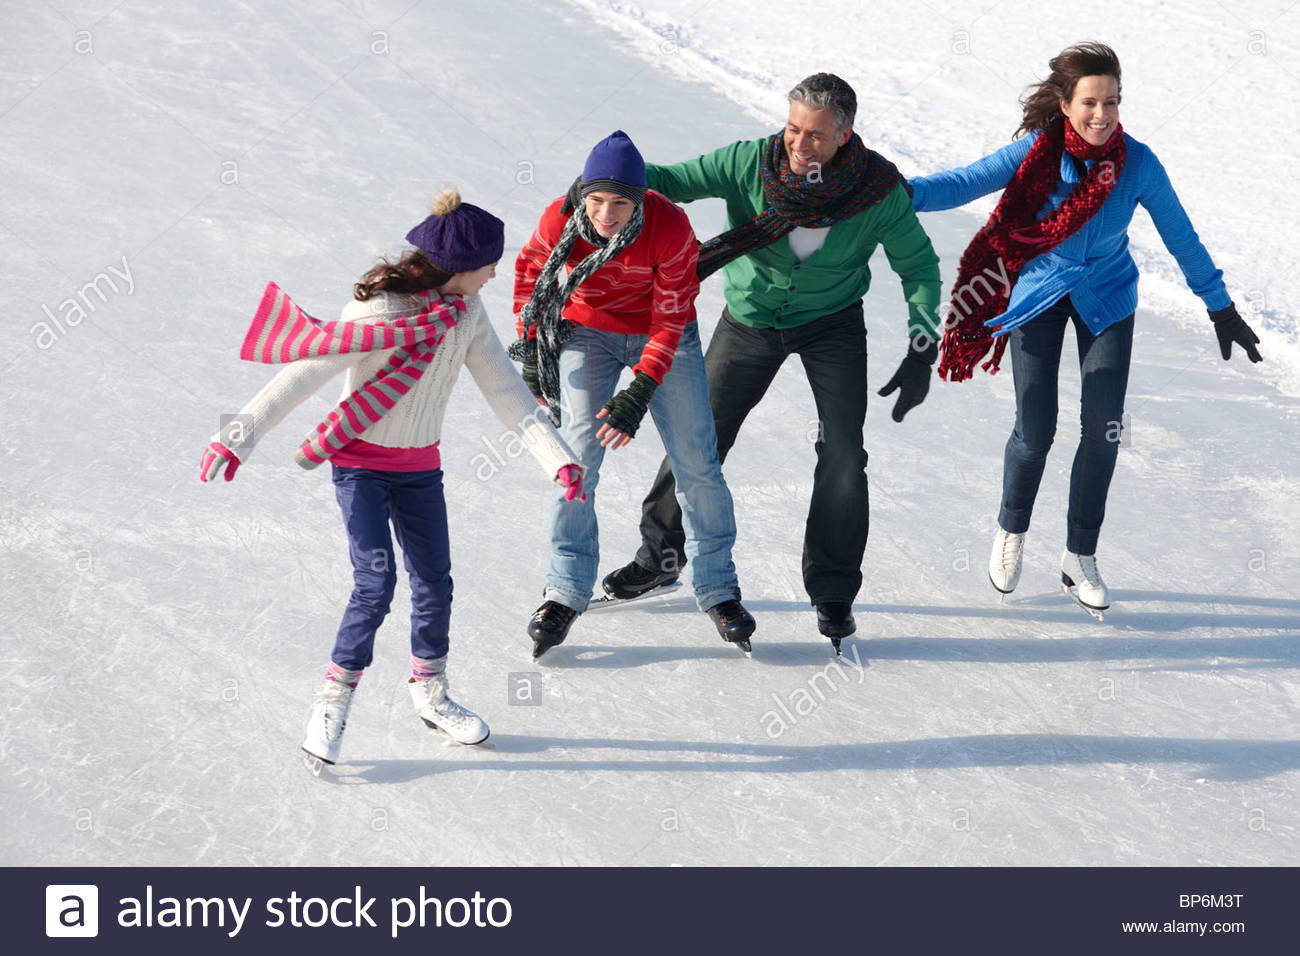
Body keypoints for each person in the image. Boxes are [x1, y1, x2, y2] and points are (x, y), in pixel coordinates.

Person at [198, 187, 584, 764]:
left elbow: (505, 390)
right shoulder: (378, 313)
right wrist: (239, 435)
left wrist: (558, 457)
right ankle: (332, 702)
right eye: (488, 268)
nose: (493, 278)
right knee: (374, 586)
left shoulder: (467, 316)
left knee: (435, 582)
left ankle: (429, 691)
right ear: (459, 267)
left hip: (420, 471)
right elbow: (305, 373)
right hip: (361, 471)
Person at [908, 42, 1263, 617]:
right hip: (1038, 295)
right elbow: (960, 183)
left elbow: (1181, 235)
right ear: (1065, 104)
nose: (1103, 116)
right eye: (1091, 103)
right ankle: (1012, 528)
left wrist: (1218, 305)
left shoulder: (1138, 163)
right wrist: (894, 190)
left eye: (1113, 103)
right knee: (1035, 429)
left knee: (1103, 430)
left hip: (1108, 298)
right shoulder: (1034, 153)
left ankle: (1081, 555)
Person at [598, 74, 942, 650]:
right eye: (792, 129)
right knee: (697, 438)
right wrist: (608, 181)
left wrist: (921, 344)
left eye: (815, 135)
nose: (799, 145)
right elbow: (671, 182)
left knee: (843, 452)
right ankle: (659, 557)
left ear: (845, 135)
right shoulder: (749, 163)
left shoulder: (878, 191)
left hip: (833, 323)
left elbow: (920, 268)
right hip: (750, 320)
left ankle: (833, 588)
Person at [512, 130, 755, 658]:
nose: (605, 214)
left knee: (697, 460)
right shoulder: (561, 218)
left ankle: (718, 587)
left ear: (640, 199)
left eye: (619, 203)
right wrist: (532, 345)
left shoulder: (669, 225)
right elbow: (532, 274)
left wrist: (641, 388)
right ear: (583, 194)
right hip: (586, 331)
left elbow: (670, 319)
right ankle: (565, 588)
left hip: (659, 331)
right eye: (596, 200)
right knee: (575, 461)